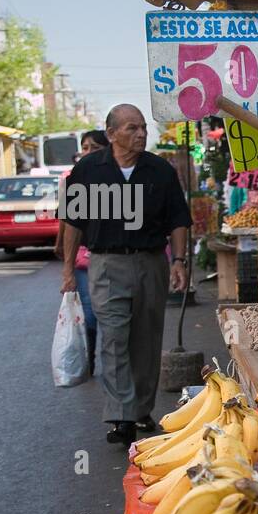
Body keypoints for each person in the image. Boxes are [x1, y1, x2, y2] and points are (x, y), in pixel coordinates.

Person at [60, 105, 190, 445]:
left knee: (146, 340)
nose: (141, 134)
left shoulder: (160, 170)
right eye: (132, 128)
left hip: (151, 263)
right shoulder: (88, 170)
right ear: (112, 133)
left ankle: (140, 408)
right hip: (106, 264)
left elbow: (178, 219)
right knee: (114, 337)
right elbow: (72, 223)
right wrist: (68, 270)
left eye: (143, 128)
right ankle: (121, 415)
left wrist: (178, 261)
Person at [55, 130, 111, 375]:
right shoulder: (74, 177)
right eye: (85, 148)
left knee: (109, 311)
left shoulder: (116, 176)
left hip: (111, 256)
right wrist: (61, 247)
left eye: (94, 148)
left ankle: (113, 364)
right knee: (88, 312)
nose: (88, 153)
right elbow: (67, 219)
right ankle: (88, 358)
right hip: (83, 254)